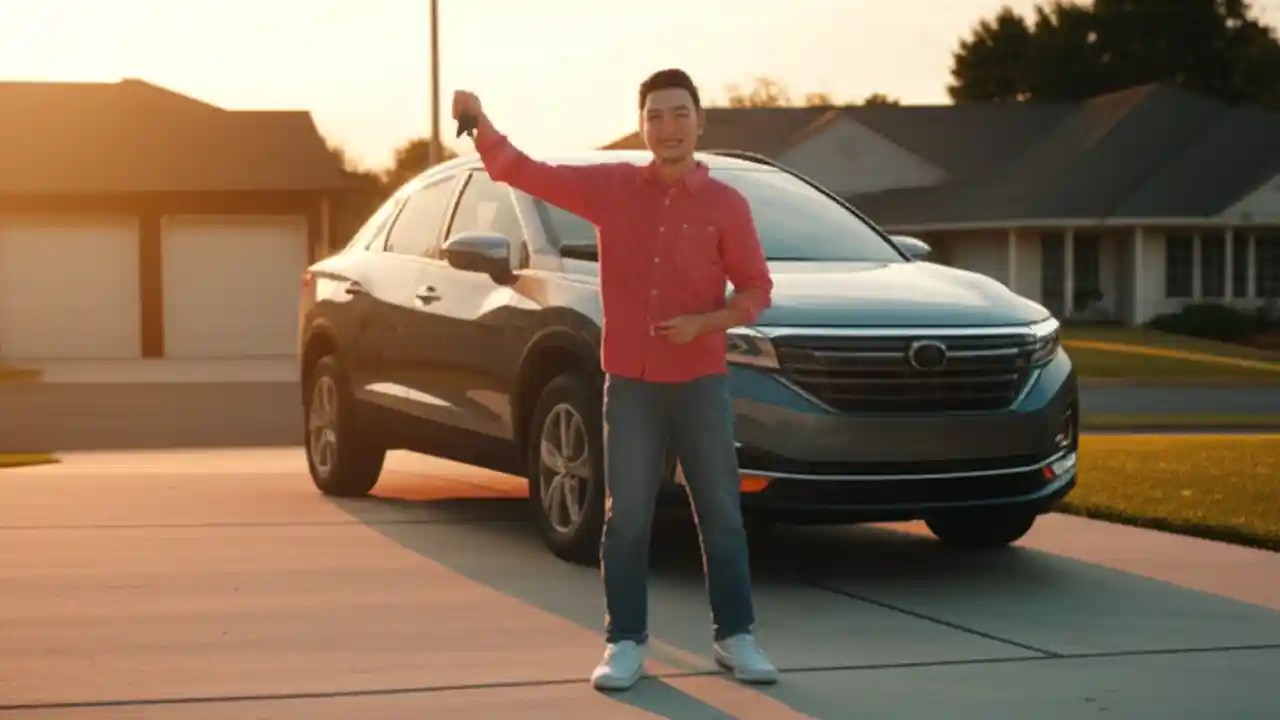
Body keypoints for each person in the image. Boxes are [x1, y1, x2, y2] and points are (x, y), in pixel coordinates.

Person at [452, 68, 778, 691]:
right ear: (642, 125)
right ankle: (625, 642)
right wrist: (481, 125)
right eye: (655, 116)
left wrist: (705, 322)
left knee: (721, 513)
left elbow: (757, 290)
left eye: (679, 113)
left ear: (699, 121)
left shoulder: (726, 205)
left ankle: (736, 636)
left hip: (701, 381)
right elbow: (527, 172)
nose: (668, 127)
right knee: (626, 516)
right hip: (630, 383)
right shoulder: (612, 188)